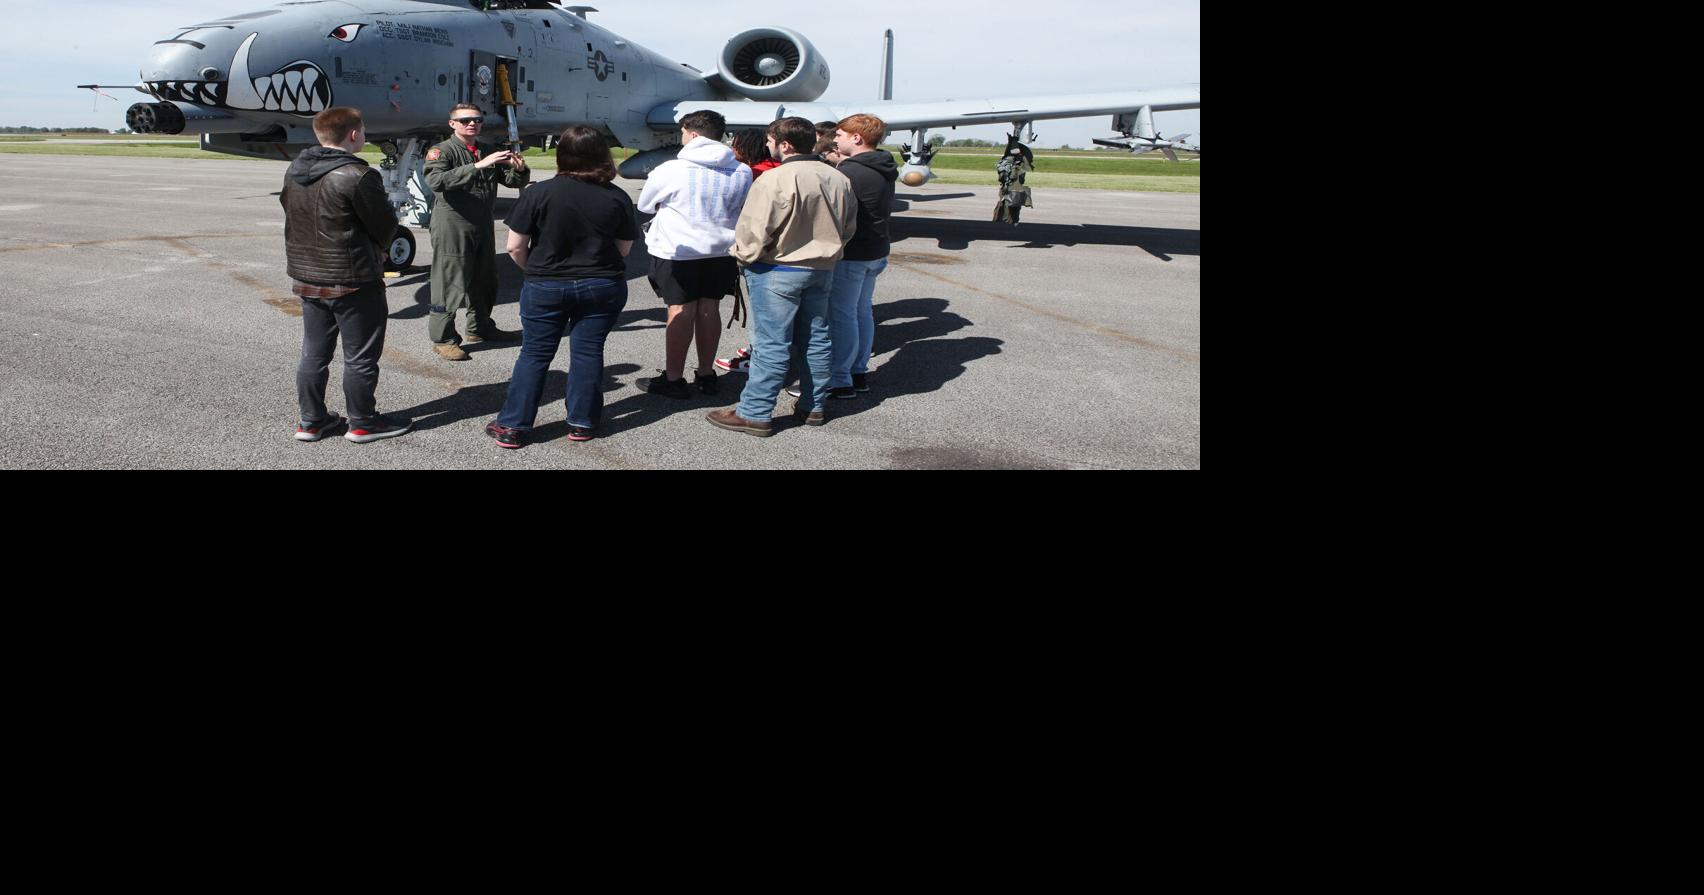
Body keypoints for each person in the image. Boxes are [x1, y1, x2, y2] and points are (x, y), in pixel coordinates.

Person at [484, 127, 639, 448]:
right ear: (602, 155)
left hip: (547, 285)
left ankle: (514, 425)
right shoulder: (617, 196)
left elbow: (515, 247)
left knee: (535, 354)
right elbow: (624, 249)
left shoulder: (538, 193)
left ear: (562, 154)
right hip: (601, 284)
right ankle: (582, 422)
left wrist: (536, 270)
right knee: (588, 352)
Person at [707, 117, 857, 437]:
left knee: (771, 343)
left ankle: (755, 412)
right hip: (822, 268)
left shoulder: (774, 179)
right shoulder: (838, 178)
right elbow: (848, 228)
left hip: (778, 270)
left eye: (771, 141)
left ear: (785, 144)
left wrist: (743, 258)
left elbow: (753, 230)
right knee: (816, 339)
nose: (768, 146)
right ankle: (813, 405)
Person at [281, 106, 412, 444]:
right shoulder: (357, 175)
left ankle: (311, 421)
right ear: (354, 134)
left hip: (307, 274)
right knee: (360, 356)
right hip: (352, 278)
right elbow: (385, 225)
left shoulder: (295, 170)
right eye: (363, 131)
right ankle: (363, 422)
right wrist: (381, 248)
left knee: (314, 354)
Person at [634, 111, 753, 399]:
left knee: (680, 310)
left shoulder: (670, 169)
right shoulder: (742, 170)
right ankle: (706, 373)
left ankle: (674, 377)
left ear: (694, 134)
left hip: (679, 251)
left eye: (684, 133)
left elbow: (646, 204)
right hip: (722, 249)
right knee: (710, 308)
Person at [424, 102, 530, 361]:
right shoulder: (442, 151)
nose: (472, 124)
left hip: (482, 223)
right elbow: (437, 182)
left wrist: (519, 169)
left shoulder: (486, 149)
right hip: (453, 225)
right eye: (465, 120)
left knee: (484, 279)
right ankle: (443, 338)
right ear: (452, 124)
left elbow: (513, 181)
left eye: (477, 120)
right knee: (450, 281)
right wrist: (478, 166)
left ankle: (480, 327)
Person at [826, 114, 897, 398]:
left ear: (856, 138)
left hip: (852, 254)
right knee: (861, 312)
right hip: (875, 251)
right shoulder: (882, 166)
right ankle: (857, 371)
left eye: (840, 135)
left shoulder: (849, 173)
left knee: (842, 316)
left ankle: (839, 379)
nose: (835, 139)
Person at [716, 129, 781, 375]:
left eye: (736, 144)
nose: (733, 149)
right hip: (784, 250)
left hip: (759, 250)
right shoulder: (778, 168)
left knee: (760, 309)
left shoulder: (753, 174)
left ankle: (757, 356)